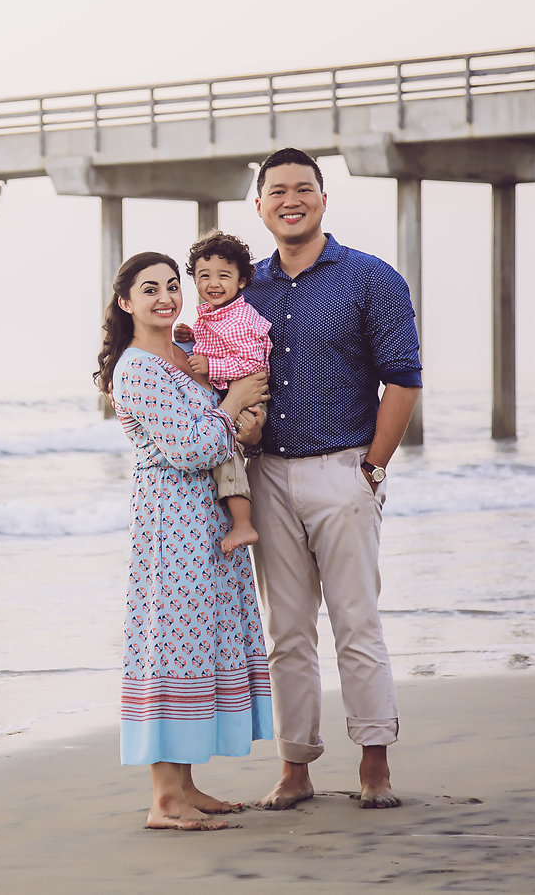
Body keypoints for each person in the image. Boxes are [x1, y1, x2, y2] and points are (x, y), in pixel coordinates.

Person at [241, 147, 423, 811]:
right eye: (277, 191)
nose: (290, 200)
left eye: (303, 189)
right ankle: (295, 768)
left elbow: (403, 377)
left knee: (356, 621)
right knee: (285, 632)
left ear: (323, 199)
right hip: (266, 475)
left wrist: (373, 467)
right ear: (260, 205)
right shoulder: (246, 289)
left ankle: (375, 763)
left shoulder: (371, 277)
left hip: (344, 469)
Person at [93, 251, 273, 831]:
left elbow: (221, 436)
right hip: (171, 520)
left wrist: (241, 417)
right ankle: (165, 799)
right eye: (149, 289)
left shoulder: (185, 354)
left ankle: (186, 786)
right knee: (171, 643)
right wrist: (233, 403)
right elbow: (190, 449)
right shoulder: (136, 368)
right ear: (126, 303)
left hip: (208, 518)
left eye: (173, 285)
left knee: (197, 643)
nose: (166, 297)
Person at [175, 230, 273, 557]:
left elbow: (253, 364)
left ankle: (243, 524)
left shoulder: (240, 318)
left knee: (227, 455)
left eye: (224, 275)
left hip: (249, 398)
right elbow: (214, 344)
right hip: (231, 395)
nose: (213, 283)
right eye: (204, 275)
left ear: (241, 281)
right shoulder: (212, 314)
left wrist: (211, 365)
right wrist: (191, 336)